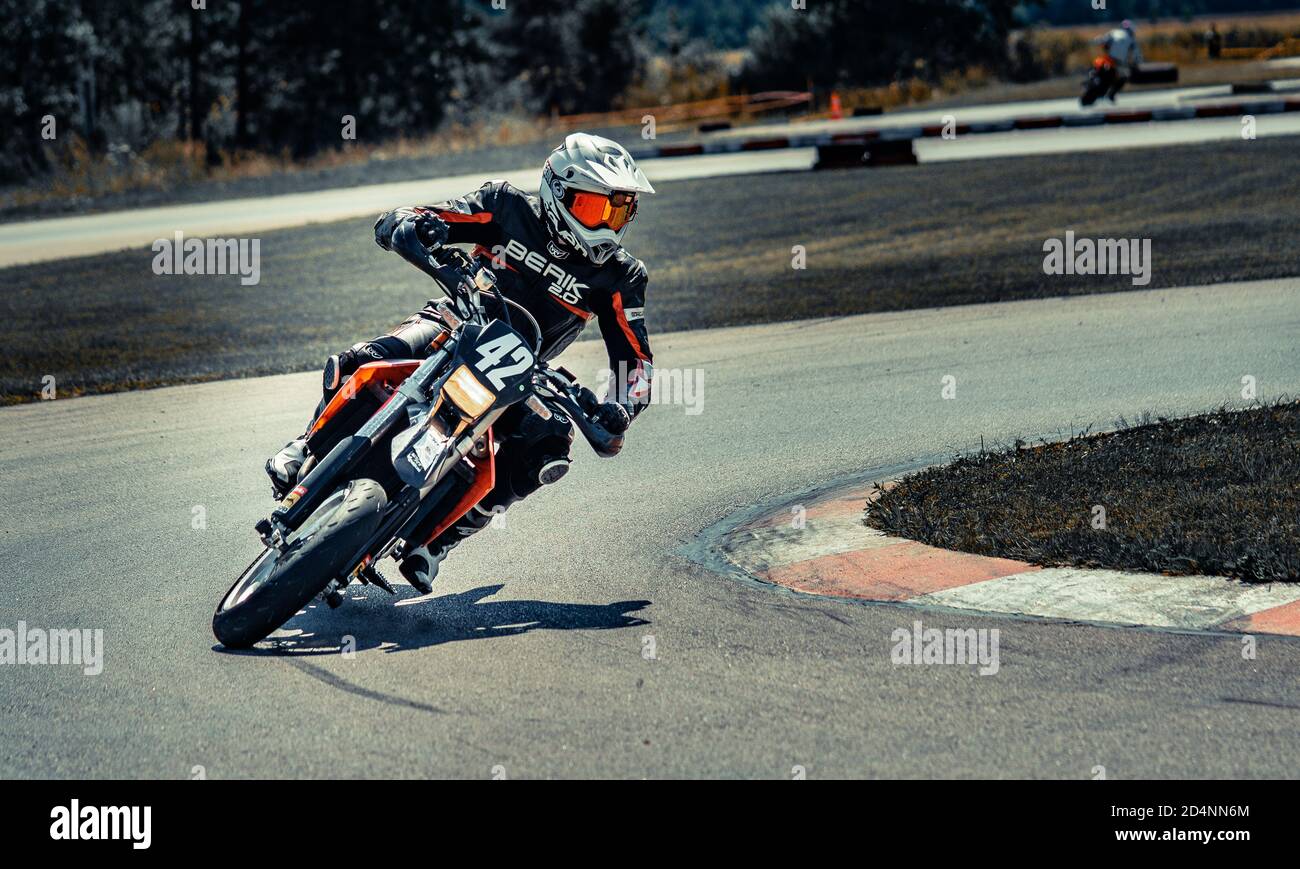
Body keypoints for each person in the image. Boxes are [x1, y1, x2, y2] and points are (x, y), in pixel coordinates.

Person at [266, 132, 656, 592]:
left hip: (522, 374)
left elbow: (636, 362)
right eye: (596, 209)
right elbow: (424, 216)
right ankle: (305, 447)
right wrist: (413, 225)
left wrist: (621, 407)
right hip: (454, 323)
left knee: (550, 446)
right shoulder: (505, 205)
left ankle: (437, 542)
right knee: (369, 359)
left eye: (619, 211)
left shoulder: (622, 276)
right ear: (557, 190)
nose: (608, 225)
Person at [1094, 19, 1144, 101]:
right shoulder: (1131, 39)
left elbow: (1101, 40)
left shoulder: (1114, 32)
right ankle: (1111, 94)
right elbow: (1137, 54)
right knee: (1124, 77)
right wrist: (1138, 62)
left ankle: (1095, 80)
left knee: (1097, 65)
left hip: (1107, 59)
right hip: (1118, 63)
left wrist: (1097, 41)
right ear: (1131, 30)